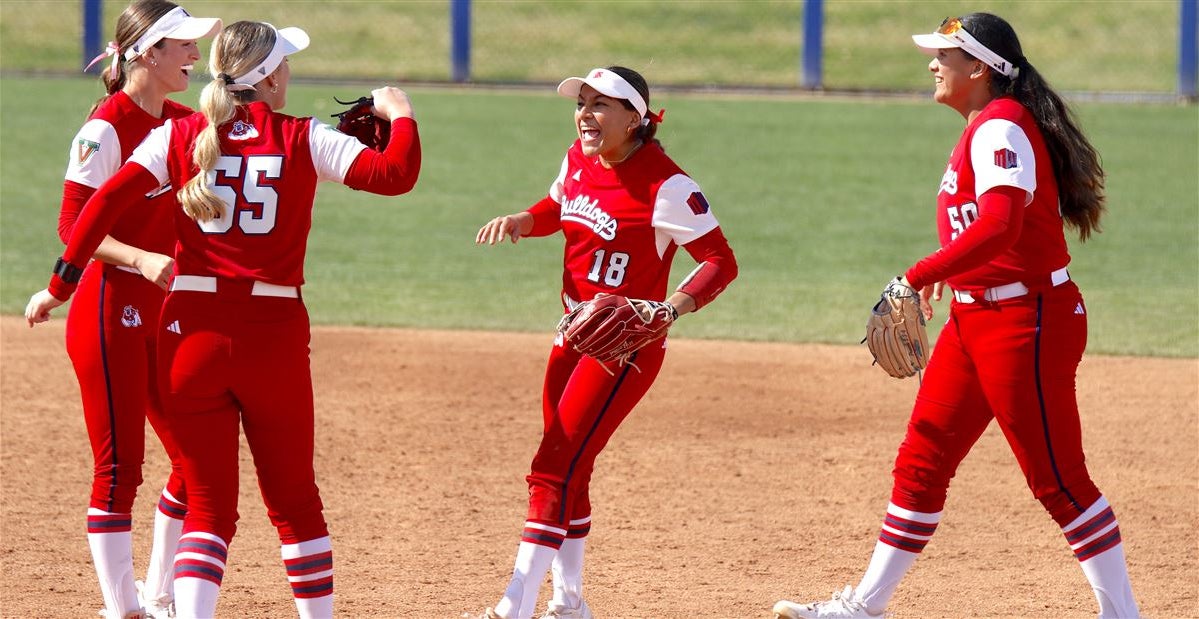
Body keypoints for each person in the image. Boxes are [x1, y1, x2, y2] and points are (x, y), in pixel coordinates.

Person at [26, 20, 421, 619]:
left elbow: (100, 205)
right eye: (284, 62)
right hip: (272, 334)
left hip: (189, 332)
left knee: (209, 506)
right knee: (294, 503)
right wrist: (401, 113)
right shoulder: (304, 136)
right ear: (266, 77)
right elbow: (397, 175)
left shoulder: (180, 134)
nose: (290, 71)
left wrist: (60, 284)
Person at [773, 13, 1139, 619]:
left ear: (981, 68)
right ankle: (864, 607)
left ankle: (1124, 614)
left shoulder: (1001, 127)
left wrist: (920, 273)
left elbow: (1001, 223)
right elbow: (987, 230)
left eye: (945, 54)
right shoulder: (983, 126)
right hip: (975, 322)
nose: (933, 63)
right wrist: (954, 274)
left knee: (1057, 479)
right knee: (923, 457)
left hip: (1028, 321)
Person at [474, 66, 738, 619]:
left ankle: (514, 606)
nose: (585, 114)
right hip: (571, 330)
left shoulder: (668, 186)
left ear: (635, 118)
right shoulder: (577, 159)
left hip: (625, 348)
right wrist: (524, 219)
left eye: (601, 104)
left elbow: (720, 261)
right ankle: (569, 601)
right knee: (574, 465)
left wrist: (668, 309)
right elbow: (559, 208)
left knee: (551, 467)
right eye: (582, 103)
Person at [61, 3, 220, 617]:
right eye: (182, 45)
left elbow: (244, 134)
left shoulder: (181, 121)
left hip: (165, 312)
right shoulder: (104, 128)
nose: (194, 56)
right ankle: (120, 608)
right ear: (148, 54)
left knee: (195, 458)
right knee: (120, 464)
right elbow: (72, 226)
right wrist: (139, 259)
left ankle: (160, 597)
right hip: (108, 308)